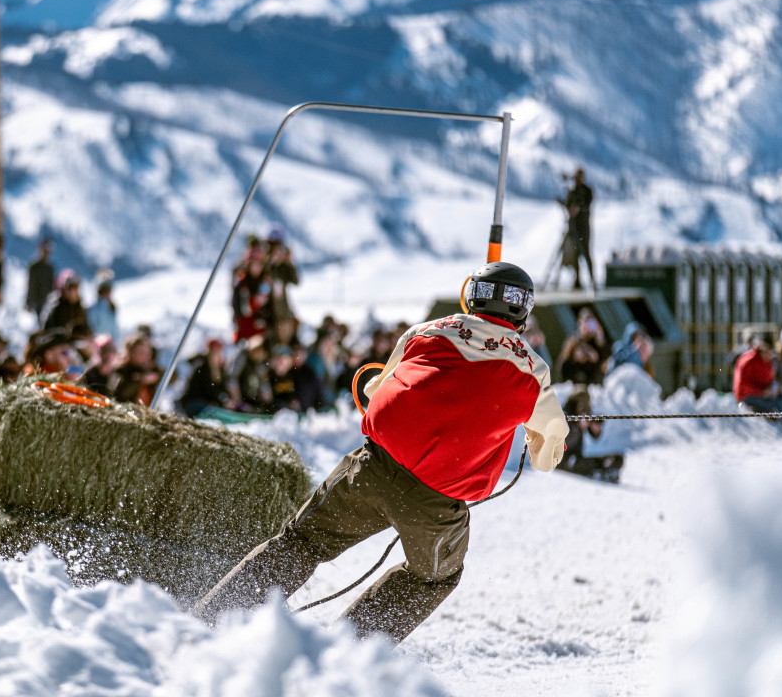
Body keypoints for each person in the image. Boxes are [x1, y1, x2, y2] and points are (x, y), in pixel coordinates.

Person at [193, 262, 568, 642]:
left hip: (374, 466)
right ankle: (346, 652)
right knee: (433, 579)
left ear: (472, 295)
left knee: (302, 542)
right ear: (523, 308)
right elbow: (547, 455)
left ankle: (214, 618)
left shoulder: (428, 331)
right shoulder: (531, 369)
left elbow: (377, 388)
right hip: (434, 503)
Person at [733, 331, 782, 432]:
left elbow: (770, 380)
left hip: (764, 393)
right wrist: (762, 393)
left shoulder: (767, 361)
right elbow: (741, 388)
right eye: (767, 352)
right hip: (748, 396)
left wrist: (774, 388)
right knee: (780, 403)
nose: (769, 355)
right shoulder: (748, 362)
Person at [558, 389, 623, 483]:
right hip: (563, 460)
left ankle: (606, 468)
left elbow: (595, 436)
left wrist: (594, 427)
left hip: (577, 457)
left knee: (617, 458)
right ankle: (599, 472)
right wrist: (577, 426)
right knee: (584, 463)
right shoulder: (564, 416)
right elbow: (562, 441)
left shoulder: (581, 415)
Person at [179, 339, 233, 417]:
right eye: (214, 351)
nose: (217, 354)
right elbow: (201, 390)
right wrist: (218, 400)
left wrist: (226, 399)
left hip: (210, 403)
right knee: (211, 409)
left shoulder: (221, 369)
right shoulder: (200, 366)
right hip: (194, 402)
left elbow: (222, 389)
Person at [559, 168, 594, 290]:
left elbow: (586, 204)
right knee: (574, 256)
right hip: (573, 227)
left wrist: (578, 208)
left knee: (586, 254)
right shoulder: (573, 192)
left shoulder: (587, 191)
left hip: (583, 228)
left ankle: (592, 281)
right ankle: (577, 281)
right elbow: (569, 206)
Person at [111, 334, 163, 406]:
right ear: (131, 353)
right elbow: (120, 393)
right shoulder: (121, 370)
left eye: (147, 353)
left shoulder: (148, 369)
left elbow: (172, 377)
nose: (145, 357)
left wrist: (156, 376)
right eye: (141, 353)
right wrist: (141, 380)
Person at [43, 270, 91, 340]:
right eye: (71, 288)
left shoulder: (79, 307)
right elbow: (47, 331)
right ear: (64, 289)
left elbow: (86, 328)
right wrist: (65, 332)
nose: (74, 292)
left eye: (76, 288)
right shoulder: (55, 307)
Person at [25, 238, 56, 322]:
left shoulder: (50, 268)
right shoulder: (34, 267)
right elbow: (30, 285)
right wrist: (29, 302)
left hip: (47, 302)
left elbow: (52, 285)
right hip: (36, 301)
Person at [87, 271, 119, 343]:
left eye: (108, 290)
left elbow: (115, 331)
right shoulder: (92, 309)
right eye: (104, 290)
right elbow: (91, 330)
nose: (107, 293)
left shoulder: (112, 308)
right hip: (98, 345)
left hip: (110, 346)